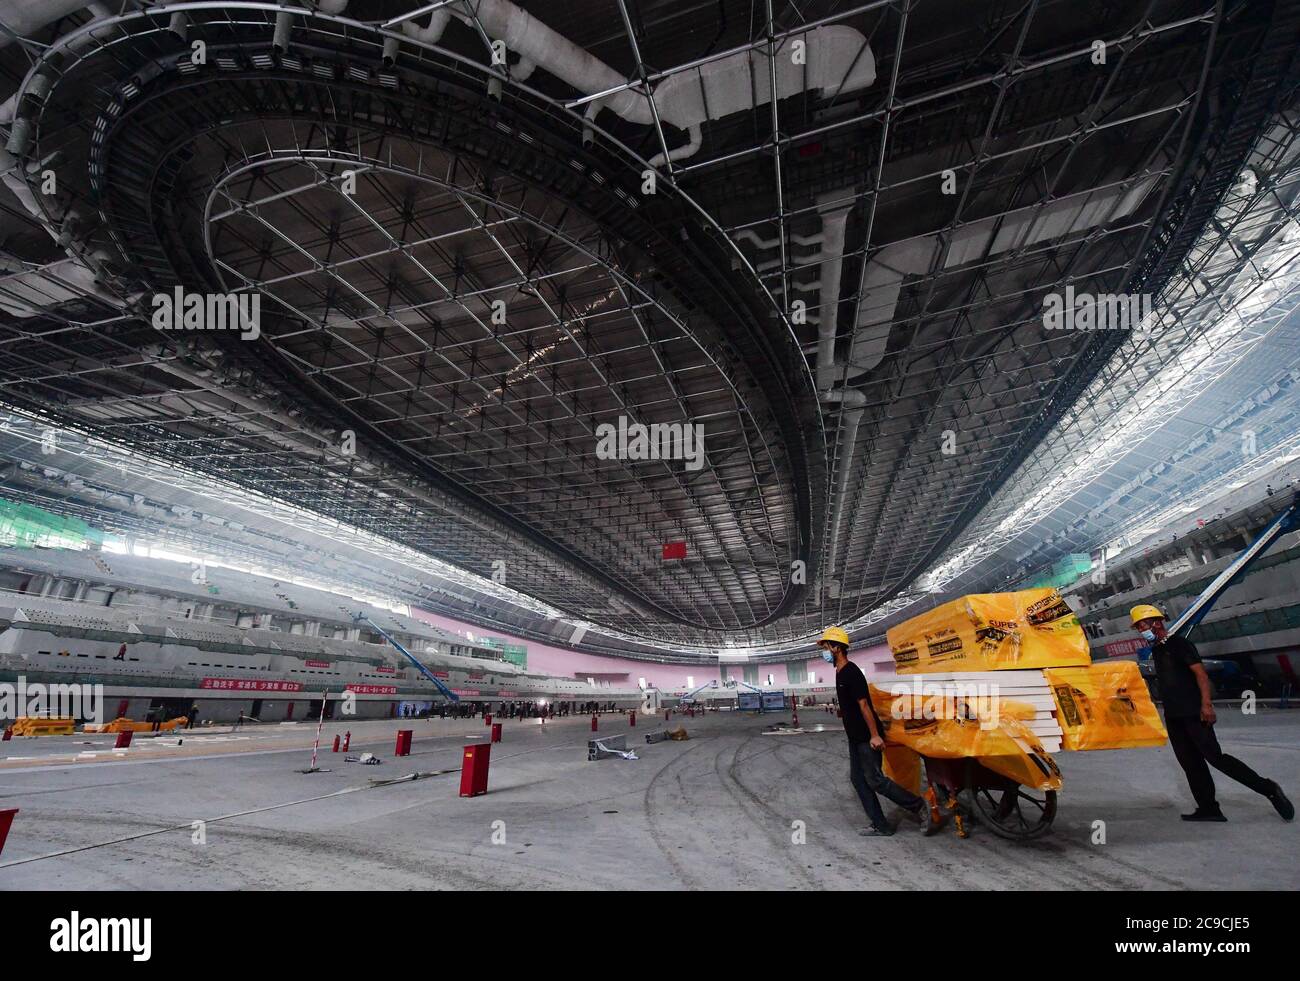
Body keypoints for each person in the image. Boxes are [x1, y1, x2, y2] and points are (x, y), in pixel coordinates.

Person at [1133, 604, 1293, 822]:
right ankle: (1209, 808)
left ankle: (1268, 788)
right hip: (1174, 715)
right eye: (1139, 627)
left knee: (1216, 758)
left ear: (1156, 622)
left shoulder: (1180, 644)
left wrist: (1206, 705)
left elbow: (1200, 674)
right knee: (1190, 763)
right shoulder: (1157, 650)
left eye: (1142, 625)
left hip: (1194, 712)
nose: (1141, 630)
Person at [818, 626, 938, 837]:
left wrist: (874, 735)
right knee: (858, 780)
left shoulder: (851, 672)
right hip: (855, 738)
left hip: (865, 737)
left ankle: (918, 805)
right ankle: (881, 825)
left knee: (875, 780)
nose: (824, 651)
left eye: (826, 646)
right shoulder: (839, 672)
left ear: (836, 648)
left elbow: (864, 705)